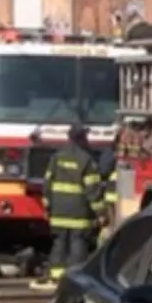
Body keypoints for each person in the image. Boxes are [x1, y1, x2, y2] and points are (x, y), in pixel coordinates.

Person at [30, 123, 105, 291]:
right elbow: (92, 189)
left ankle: (56, 277)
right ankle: (75, 279)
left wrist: (48, 207)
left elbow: (47, 185)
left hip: (58, 212)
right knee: (78, 244)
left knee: (59, 244)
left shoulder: (57, 157)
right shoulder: (86, 159)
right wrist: (101, 212)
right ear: (82, 138)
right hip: (80, 213)